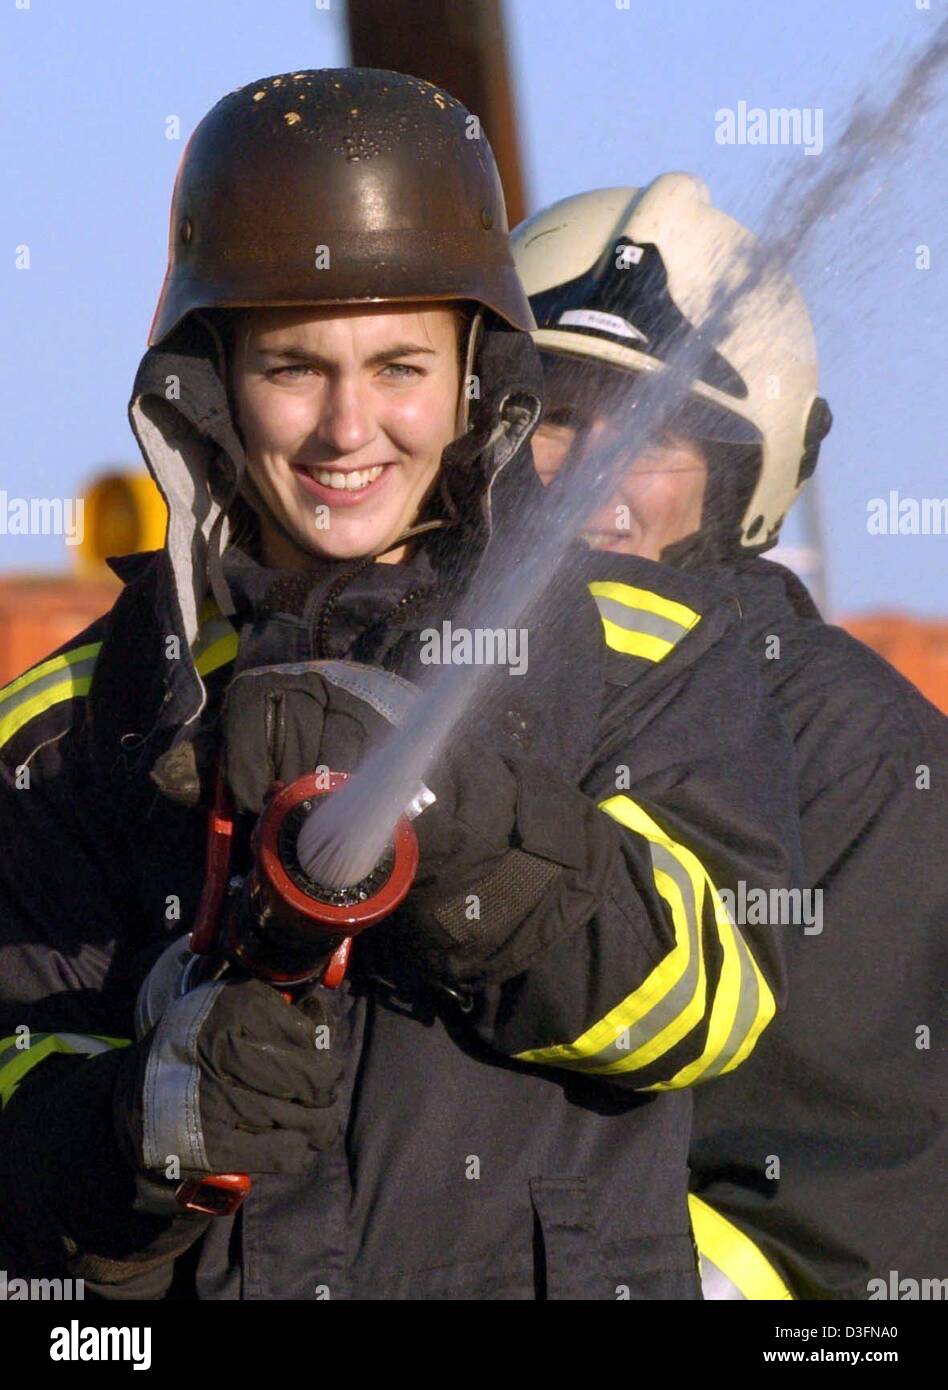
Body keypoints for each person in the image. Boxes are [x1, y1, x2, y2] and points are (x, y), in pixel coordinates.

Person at [0, 82, 801, 1301]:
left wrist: (465, 822)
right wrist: (144, 1123)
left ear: (479, 373)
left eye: (401, 364)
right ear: (208, 379)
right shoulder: (72, 727)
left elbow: (709, 999)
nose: (347, 425)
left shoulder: (647, 653)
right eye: (292, 367)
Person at [512, 174, 948, 1300]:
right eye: (558, 415)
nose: (591, 482)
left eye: (652, 437)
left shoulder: (851, 752)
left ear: (739, 488)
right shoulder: (423, 677)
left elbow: (842, 1221)